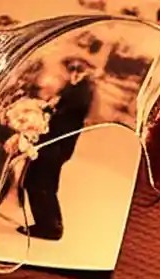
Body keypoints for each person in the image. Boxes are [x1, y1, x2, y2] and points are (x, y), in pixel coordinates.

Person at [18, 68, 96, 241]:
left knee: (40, 185)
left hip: (54, 147)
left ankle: (49, 227)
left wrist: (50, 109)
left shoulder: (81, 91)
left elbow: (64, 114)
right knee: (40, 184)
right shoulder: (78, 91)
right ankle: (50, 224)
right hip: (55, 147)